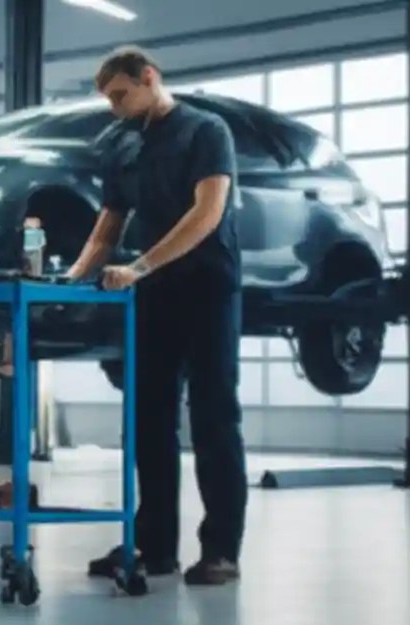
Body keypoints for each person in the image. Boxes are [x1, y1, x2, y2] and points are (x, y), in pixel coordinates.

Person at [68, 46, 248, 586]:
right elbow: (109, 223)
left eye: (122, 94)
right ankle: (155, 548)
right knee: (148, 420)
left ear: (149, 77)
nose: (115, 107)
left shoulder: (206, 131)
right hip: (155, 294)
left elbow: (208, 212)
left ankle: (221, 551)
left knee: (214, 416)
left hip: (208, 287)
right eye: (108, 99)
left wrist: (140, 266)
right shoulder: (124, 144)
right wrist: (69, 280)